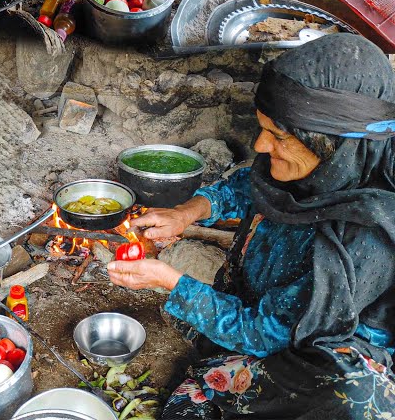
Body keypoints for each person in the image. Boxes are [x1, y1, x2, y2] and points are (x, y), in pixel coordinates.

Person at [108, 34, 395, 418]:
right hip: (261, 307)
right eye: (264, 129)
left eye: (278, 136)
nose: (260, 146)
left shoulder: (366, 237)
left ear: (334, 146)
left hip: (313, 355)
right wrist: (186, 212)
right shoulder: (318, 168)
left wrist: (170, 281)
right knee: (196, 317)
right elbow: (250, 184)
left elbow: (269, 333)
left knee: (351, 396)